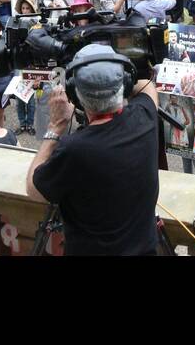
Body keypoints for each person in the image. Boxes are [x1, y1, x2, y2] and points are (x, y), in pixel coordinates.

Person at [26, 44, 161, 255]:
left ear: (74, 93)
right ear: (123, 84)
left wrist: (56, 126)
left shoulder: (74, 149)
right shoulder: (145, 118)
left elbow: (33, 190)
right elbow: (146, 85)